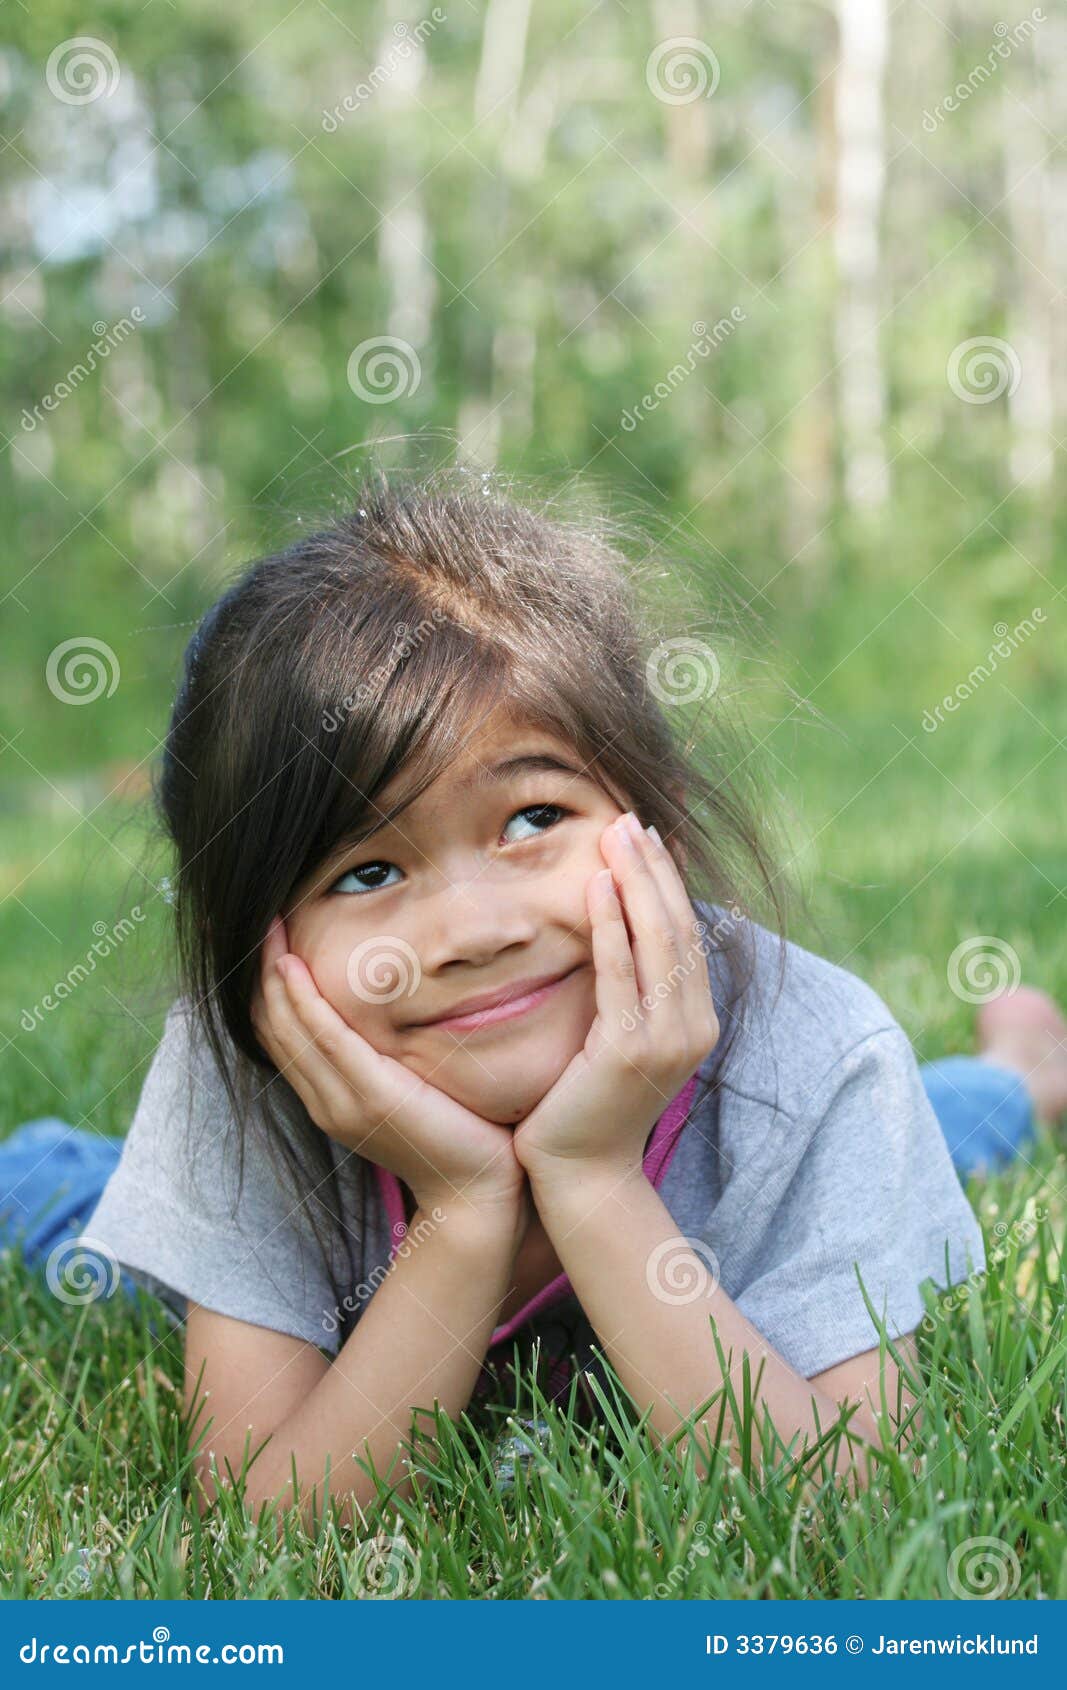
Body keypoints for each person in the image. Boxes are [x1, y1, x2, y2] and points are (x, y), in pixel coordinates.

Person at [3, 469, 1062, 1532]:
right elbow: (273, 1530)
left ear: (664, 824)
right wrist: (463, 1212)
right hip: (252, 1237)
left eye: (531, 817)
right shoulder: (243, 1065)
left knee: (936, 1121)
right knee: (72, 1217)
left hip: (813, 1141)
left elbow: (846, 1511)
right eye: (365, 872)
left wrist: (591, 1178)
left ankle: (1017, 1069)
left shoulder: (819, 1059)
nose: (477, 930)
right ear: (254, 941)